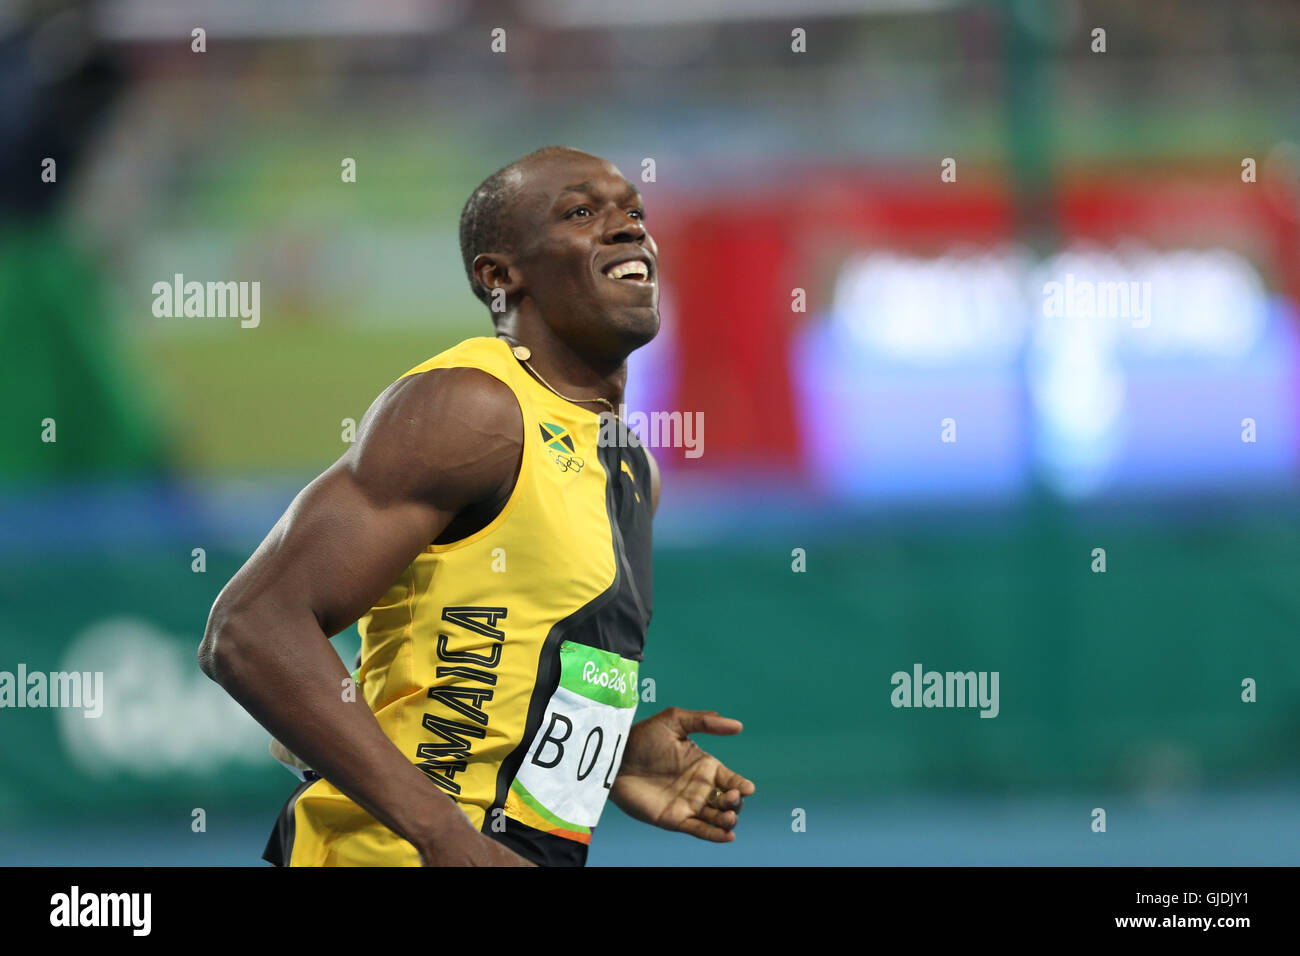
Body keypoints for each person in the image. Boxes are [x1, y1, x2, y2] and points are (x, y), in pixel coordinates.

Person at [199, 146, 755, 866]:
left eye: (634, 214)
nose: (627, 230)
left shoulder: (631, 465)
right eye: (582, 213)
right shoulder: (471, 410)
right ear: (499, 276)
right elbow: (249, 631)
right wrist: (442, 834)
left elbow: (513, 661)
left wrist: (610, 759)